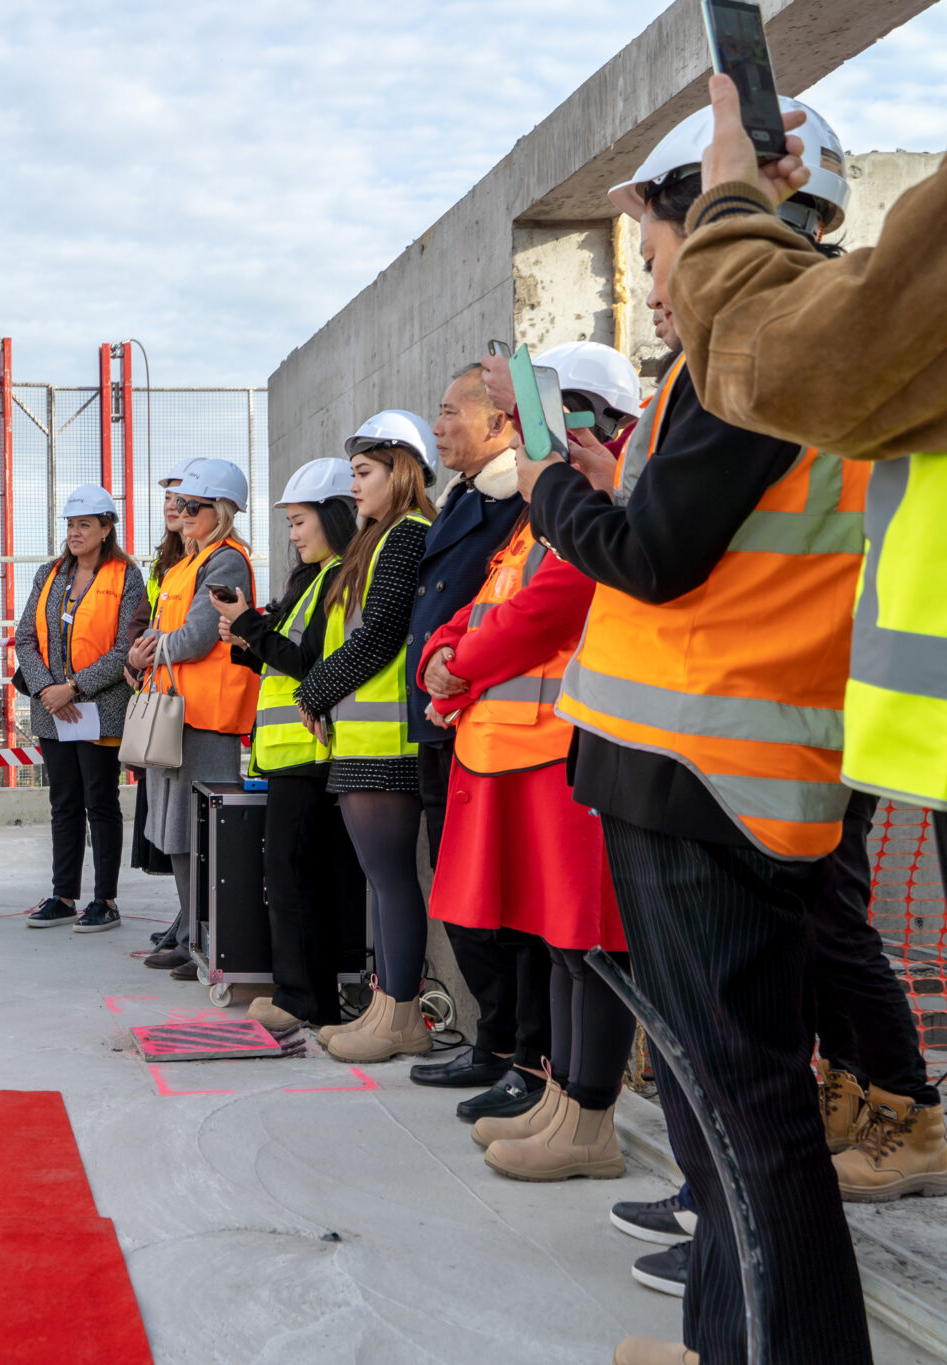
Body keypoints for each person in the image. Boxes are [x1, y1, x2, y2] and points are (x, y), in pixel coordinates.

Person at [511, 100, 872, 1365]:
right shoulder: (829, 337)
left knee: (743, 1107)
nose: (655, 291)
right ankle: (726, 1338)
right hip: (745, 759)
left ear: (704, 214)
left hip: (696, 771)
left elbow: (654, 561)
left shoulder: (745, 345)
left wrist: (555, 490)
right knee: (735, 1100)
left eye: (654, 256)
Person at [668, 74, 947, 1207]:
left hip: (791, 717)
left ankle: (894, 1102)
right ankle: (874, 1093)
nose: (656, 282)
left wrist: (729, 217)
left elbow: (785, 364)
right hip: (803, 716)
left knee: (824, 933)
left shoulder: (774, 347)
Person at [420, 342, 641, 1181]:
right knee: (559, 939)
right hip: (526, 750)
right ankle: (562, 1100)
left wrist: (461, 660)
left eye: (529, 414)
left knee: (587, 940)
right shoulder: (547, 503)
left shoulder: (601, 490)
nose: (523, 431)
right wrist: (440, 655)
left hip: (566, 749)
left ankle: (589, 1115)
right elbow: (487, 596)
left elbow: (555, 600)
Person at [404, 362, 550, 1117]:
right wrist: (439, 659)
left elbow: (523, 612)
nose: (439, 426)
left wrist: (455, 664)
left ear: (500, 423)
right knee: (469, 900)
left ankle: (525, 1054)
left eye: (450, 410)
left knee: (510, 910)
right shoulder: (478, 502)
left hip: (509, 736)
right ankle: (501, 1042)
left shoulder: (525, 505)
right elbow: (464, 606)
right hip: (461, 722)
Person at [295, 413, 436, 1064]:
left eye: (364, 472)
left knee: (391, 881)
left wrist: (315, 689)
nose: (355, 486)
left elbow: (379, 634)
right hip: (364, 741)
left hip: (387, 746)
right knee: (383, 882)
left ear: (401, 471)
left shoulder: (407, 534)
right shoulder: (381, 538)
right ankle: (387, 1006)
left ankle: (399, 1013)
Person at [214, 457, 366, 1031]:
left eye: (301, 521)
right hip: (289, 755)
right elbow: (287, 659)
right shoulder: (312, 582)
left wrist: (251, 625)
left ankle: (304, 999)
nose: (295, 533)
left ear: (334, 517)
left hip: (310, 756)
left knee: (295, 879)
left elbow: (310, 665)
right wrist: (246, 633)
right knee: (295, 878)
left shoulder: (337, 580)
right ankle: (303, 994)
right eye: (290, 524)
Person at [132, 458, 260, 981]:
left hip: (205, 719)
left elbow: (198, 636)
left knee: (196, 833)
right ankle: (191, 935)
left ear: (220, 511)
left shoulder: (224, 563)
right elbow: (170, 635)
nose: (181, 512)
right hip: (177, 714)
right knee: (176, 832)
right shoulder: (189, 563)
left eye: (193, 506)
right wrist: (148, 653)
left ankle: (205, 939)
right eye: (181, 504)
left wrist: (151, 649)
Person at [16, 484, 147, 933]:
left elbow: (124, 648)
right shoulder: (49, 574)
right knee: (64, 803)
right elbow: (25, 639)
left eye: (84, 525)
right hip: (53, 710)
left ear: (106, 527)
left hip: (99, 709)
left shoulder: (126, 576)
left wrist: (73, 687)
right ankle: (63, 895)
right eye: (71, 525)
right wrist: (48, 689)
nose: (75, 533)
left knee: (101, 802)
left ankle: (104, 900)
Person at [133, 461, 202, 943]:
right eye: (168, 499)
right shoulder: (166, 564)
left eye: (184, 499)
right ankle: (184, 919)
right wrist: (134, 659)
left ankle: (189, 923)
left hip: (183, 703)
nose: (174, 506)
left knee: (182, 830)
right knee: (166, 827)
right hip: (158, 696)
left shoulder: (206, 561)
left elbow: (188, 636)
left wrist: (149, 651)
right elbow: (144, 623)